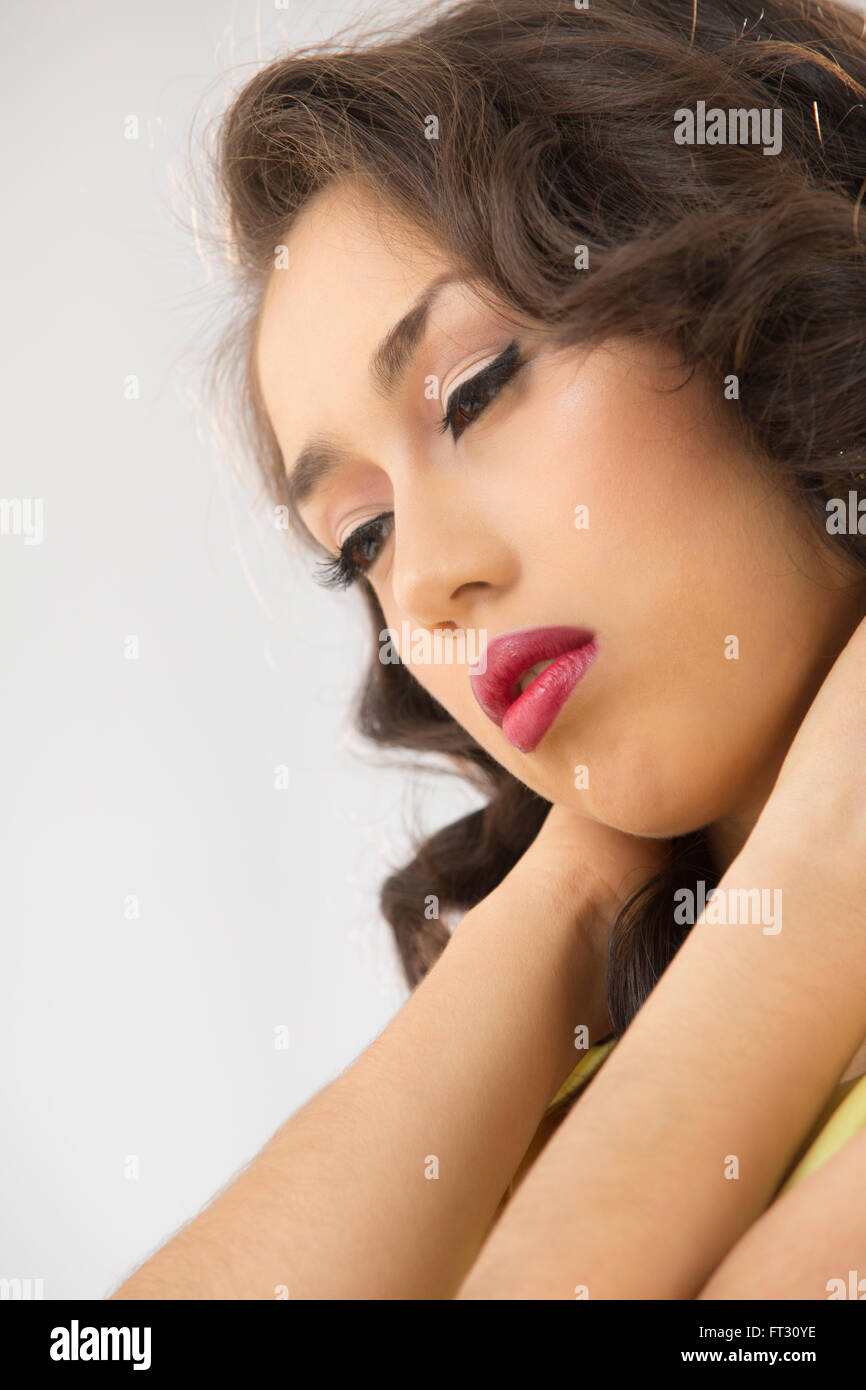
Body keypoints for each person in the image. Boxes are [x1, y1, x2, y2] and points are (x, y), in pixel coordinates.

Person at [111, 0, 866, 1298]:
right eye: (361, 539)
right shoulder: (553, 1084)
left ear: (757, 288)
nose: (426, 582)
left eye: (472, 391)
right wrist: (575, 889)